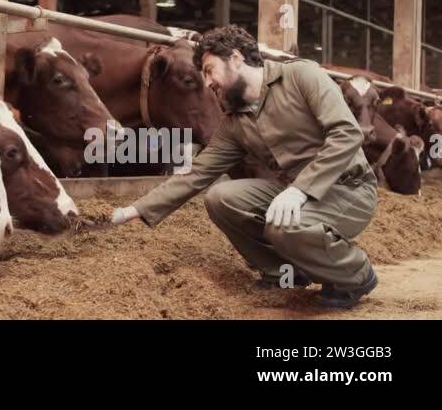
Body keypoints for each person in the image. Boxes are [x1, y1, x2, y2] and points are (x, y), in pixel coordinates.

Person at [110, 25, 379, 308]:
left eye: (210, 70)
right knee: (220, 198)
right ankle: (285, 271)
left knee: (282, 225)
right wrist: (137, 209)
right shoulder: (236, 122)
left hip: (349, 189)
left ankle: (355, 273)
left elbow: (347, 133)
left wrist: (300, 190)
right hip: (294, 195)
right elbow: (198, 173)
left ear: (236, 58)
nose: (208, 82)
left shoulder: (302, 76)